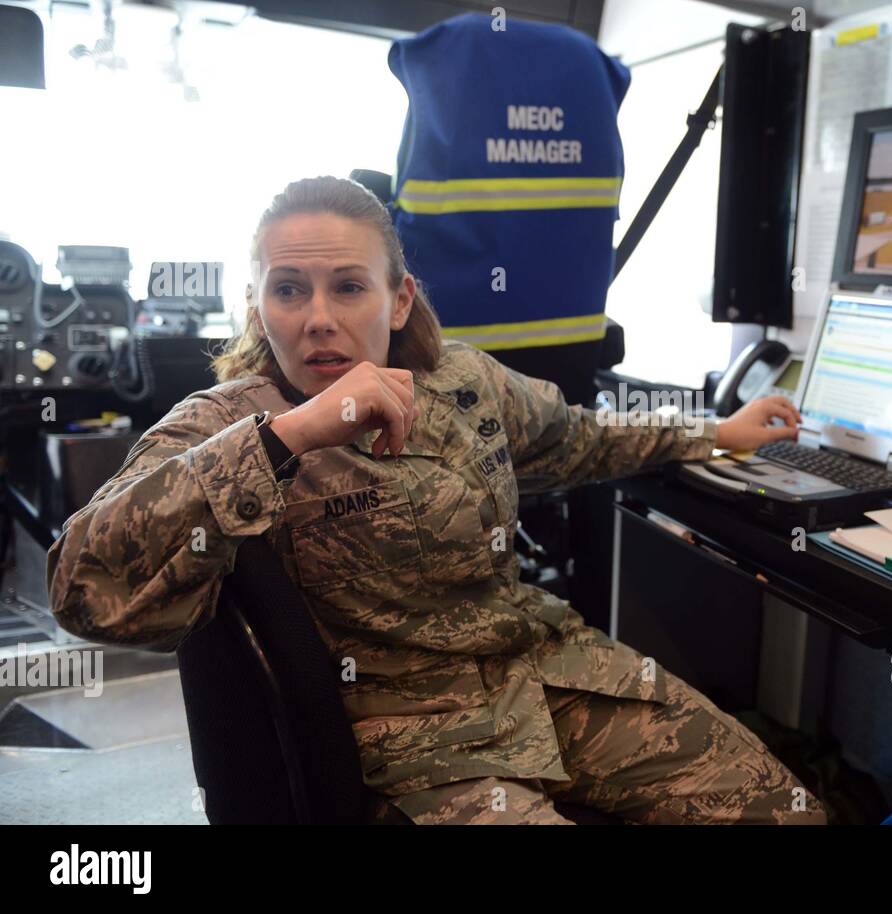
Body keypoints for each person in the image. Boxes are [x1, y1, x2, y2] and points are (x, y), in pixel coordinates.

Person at [46, 175, 827, 825]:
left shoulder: (464, 384)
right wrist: (290, 436)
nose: (318, 317)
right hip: (420, 739)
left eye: (349, 286)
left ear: (397, 300)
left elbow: (584, 438)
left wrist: (716, 429)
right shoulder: (224, 422)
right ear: (258, 306)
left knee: (785, 810)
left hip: (551, 672)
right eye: (289, 290)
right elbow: (84, 589)